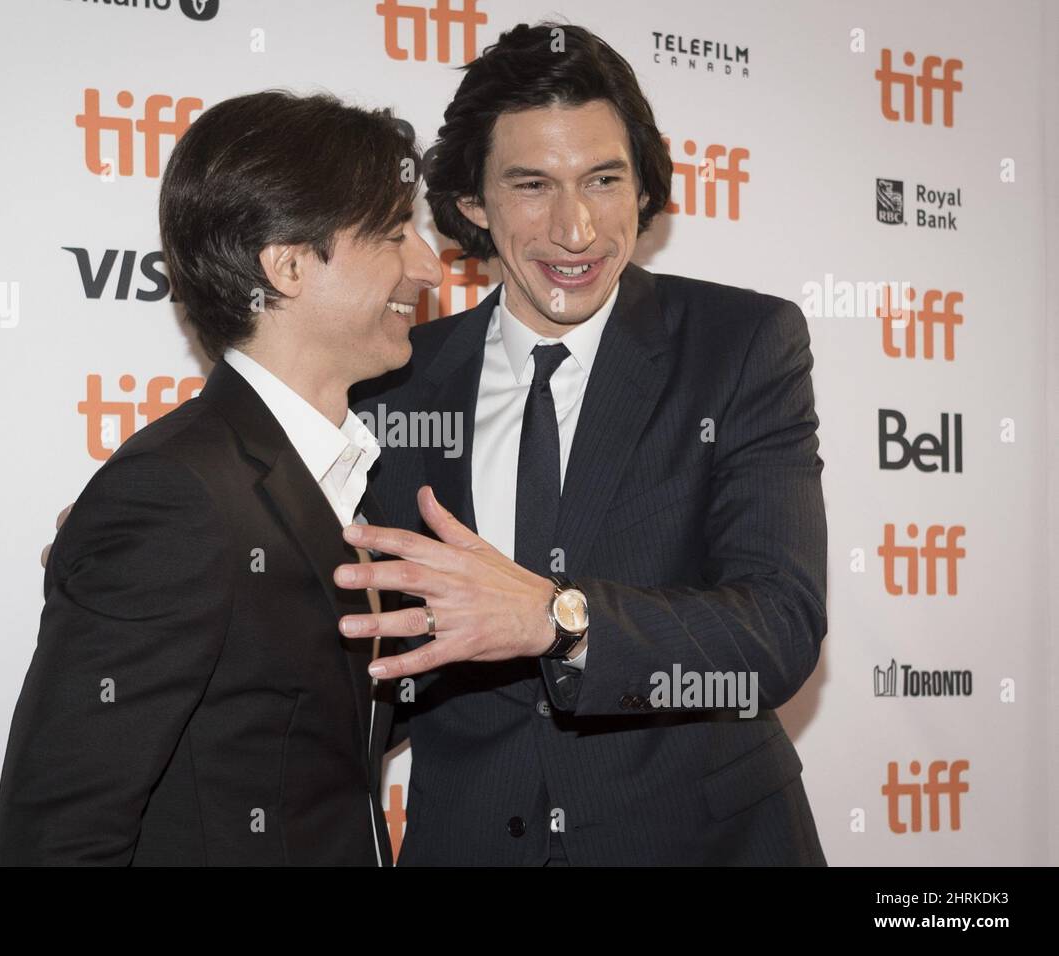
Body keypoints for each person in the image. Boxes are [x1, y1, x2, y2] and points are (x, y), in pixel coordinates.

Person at [342, 22, 829, 865]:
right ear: (472, 207)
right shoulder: (396, 378)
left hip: (703, 845)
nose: (577, 231)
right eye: (532, 186)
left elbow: (778, 631)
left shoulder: (741, 344)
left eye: (604, 180)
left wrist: (555, 619)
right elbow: (358, 623)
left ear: (642, 188)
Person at [0, 90, 441, 865]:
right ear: (290, 264)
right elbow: (58, 838)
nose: (429, 266)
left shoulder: (338, 481)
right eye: (398, 233)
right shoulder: (174, 498)